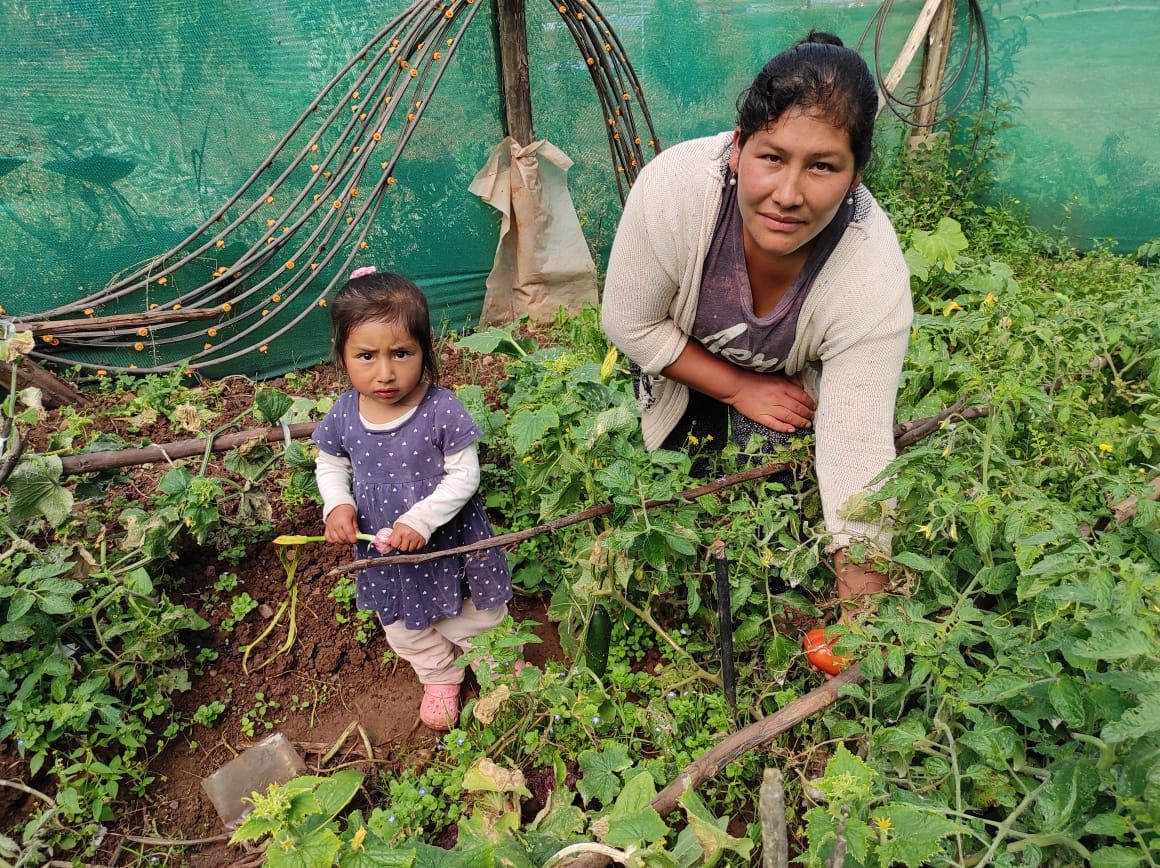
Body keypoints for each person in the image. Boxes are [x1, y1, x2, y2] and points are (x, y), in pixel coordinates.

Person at [602, 31, 912, 631]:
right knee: (676, 494)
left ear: (855, 174)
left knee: (776, 509)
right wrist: (738, 388)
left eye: (823, 166)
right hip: (678, 355)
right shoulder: (676, 190)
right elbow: (630, 322)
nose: (787, 195)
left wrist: (862, 622)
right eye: (772, 157)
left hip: (786, 382)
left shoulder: (869, 270)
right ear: (738, 147)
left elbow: (858, 446)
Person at [313, 266, 512, 730]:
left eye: (401, 353)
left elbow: (465, 476)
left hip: (447, 542)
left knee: (474, 614)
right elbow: (330, 464)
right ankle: (439, 674)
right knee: (403, 626)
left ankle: (497, 664)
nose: (385, 372)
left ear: (424, 350)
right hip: (385, 551)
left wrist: (422, 520)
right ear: (342, 356)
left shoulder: (441, 407)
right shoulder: (344, 413)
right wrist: (337, 504)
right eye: (366, 356)